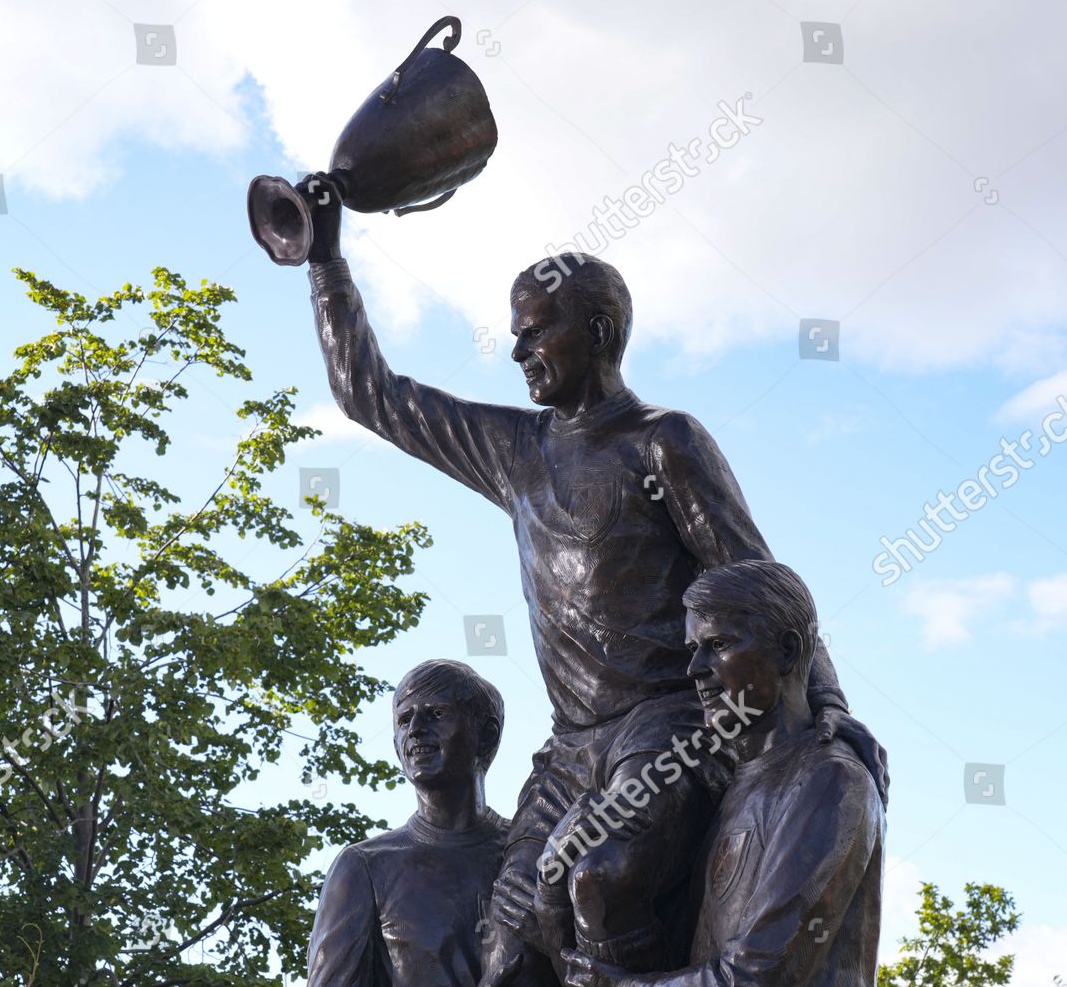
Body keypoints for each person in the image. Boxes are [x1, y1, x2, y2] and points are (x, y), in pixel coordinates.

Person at [296, 171, 887, 984]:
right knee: (505, 952)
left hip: (668, 727)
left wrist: (828, 706)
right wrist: (326, 262)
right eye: (514, 335)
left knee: (600, 875)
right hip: (571, 747)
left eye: (535, 332)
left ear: (599, 330)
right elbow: (373, 395)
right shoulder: (515, 450)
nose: (517, 352)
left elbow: (756, 582)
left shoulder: (662, 442)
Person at [559, 560, 886, 986]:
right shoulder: (732, 787)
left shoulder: (829, 781)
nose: (695, 669)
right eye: (694, 648)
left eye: (719, 644)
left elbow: (758, 977)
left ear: (786, 651)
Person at [308, 659, 511, 986]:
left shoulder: (532, 853)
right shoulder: (365, 868)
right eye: (404, 719)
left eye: (437, 713)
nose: (415, 728)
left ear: (486, 735)